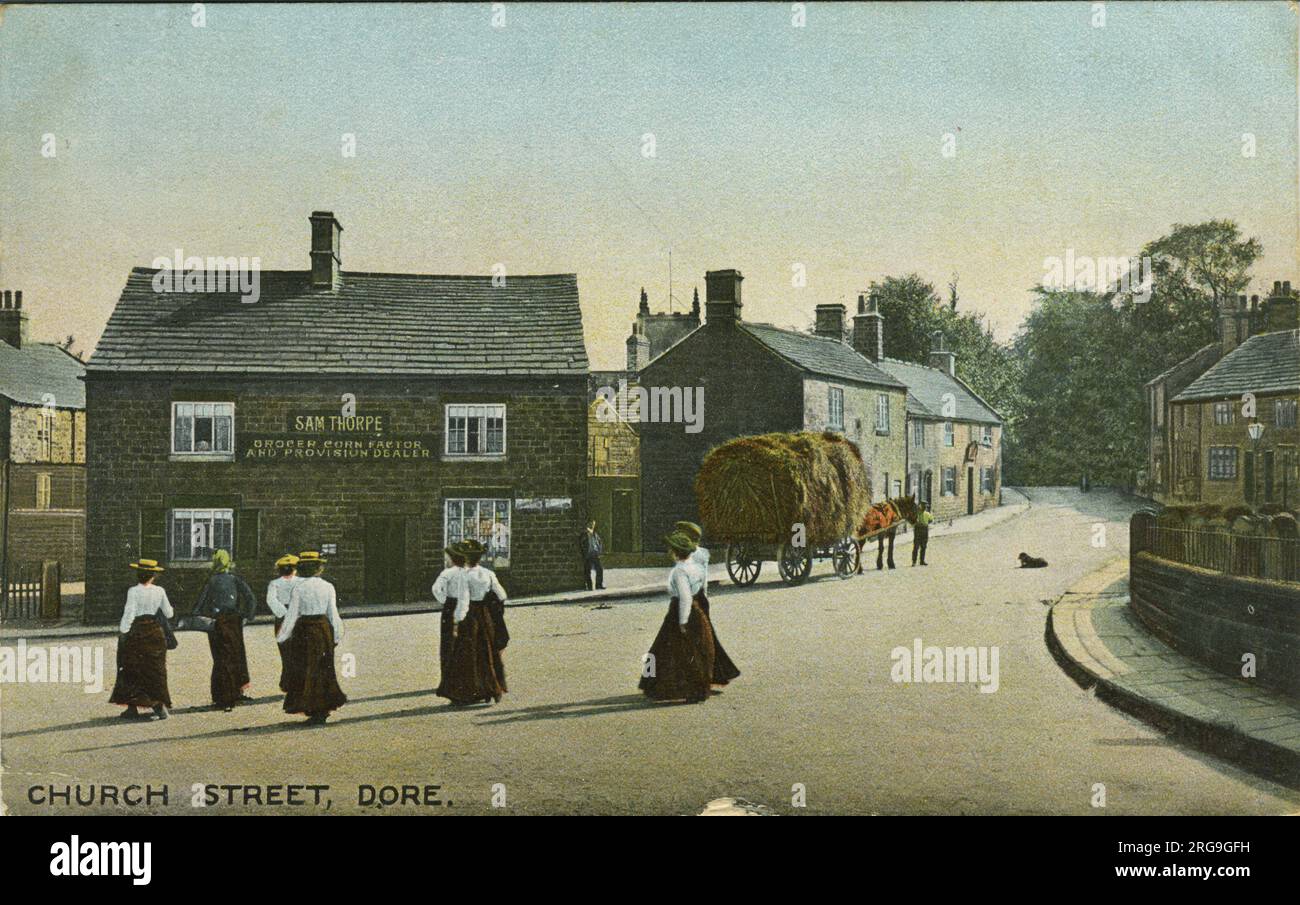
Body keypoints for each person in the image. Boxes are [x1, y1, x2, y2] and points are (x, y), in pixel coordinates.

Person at [638, 531, 716, 704]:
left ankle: (668, 687)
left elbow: (685, 597)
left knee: (671, 650)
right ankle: (697, 688)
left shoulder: (679, 571)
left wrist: (682, 621)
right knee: (694, 650)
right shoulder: (696, 567)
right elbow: (700, 590)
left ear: (675, 552)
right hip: (697, 611)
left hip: (680, 611)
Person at [277, 551, 347, 724]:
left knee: (307, 669)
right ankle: (322, 708)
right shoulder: (328, 586)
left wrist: (283, 636)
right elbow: (333, 613)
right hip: (323, 630)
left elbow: (292, 614)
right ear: (318, 569)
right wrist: (337, 635)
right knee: (323, 668)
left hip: (304, 632)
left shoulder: (299, 588)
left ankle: (313, 708)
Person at [436, 539, 508, 706]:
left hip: (471, 617)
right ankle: (490, 688)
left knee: (467, 654)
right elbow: (502, 594)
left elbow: (464, 600)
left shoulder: (464, 576)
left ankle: (469, 692)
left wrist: (457, 620)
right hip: (485, 615)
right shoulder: (488, 573)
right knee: (487, 651)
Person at [674, 520, 739, 686]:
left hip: (692, 598)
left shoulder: (690, 553)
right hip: (700, 597)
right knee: (705, 637)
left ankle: (694, 677)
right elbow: (704, 579)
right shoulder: (703, 553)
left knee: (690, 639)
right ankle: (714, 673)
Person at [109, 558, 173, 720]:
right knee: (155, 671)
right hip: (155, 632)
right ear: (153, 576)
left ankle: (132, 707)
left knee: (132, 669)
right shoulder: (160, 591)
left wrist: (123, 631)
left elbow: (129, 614)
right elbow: (169, 613)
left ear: (138, 575)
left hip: (137, 632)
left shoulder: (133, 591)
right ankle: (159, 706)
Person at [193, 548, 257, 711]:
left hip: (217, 623)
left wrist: (204, 617)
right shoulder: (235, 579)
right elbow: (250, 598)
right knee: (236, 656)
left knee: (220, 659)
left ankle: (223, 697)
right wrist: (247, 616)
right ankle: (237, 692)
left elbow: (199, 606)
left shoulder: (211, 581)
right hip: (234, 622)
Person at [432, 541, 468, 682]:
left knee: (448, 642)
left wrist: (444, 600)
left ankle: (448, 677)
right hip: (468, 605)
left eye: (447, 557)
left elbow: (436, 589)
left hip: (451, 605)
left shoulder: (448, 572)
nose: (446, 560)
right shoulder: (469, 571)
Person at [266, 554, 301, 691]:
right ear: (295, 569)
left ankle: (287, 682)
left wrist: (283, 613)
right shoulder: (301, 582)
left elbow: (271, 600)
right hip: (298, 616)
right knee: (298, 651)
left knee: (286, 651)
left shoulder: (274, 583)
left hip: (282, 618)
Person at [579, 519, 605, 590]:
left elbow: (599, 542)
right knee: (587, 570)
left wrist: (599, 550)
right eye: (591, 524)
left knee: (599, 569)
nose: (592, 526)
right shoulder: (584, 534)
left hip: (595, 553)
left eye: (593, 525)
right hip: (588, 554)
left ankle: (598, 585)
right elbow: (581, 544)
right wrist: (584, 553)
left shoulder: (595, 534)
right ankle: (589, 586)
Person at [912, 501, 933, 566]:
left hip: (925, 530)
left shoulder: (927, 514)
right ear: (920, 506)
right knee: (916, 546)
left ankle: (922, 561)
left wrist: (925, 524)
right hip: (918, 530)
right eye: (923, 506)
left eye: (925, 507)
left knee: (923, 546)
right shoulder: (917, 513)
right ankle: (914, 561)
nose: (924, 508)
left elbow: (931, 520)